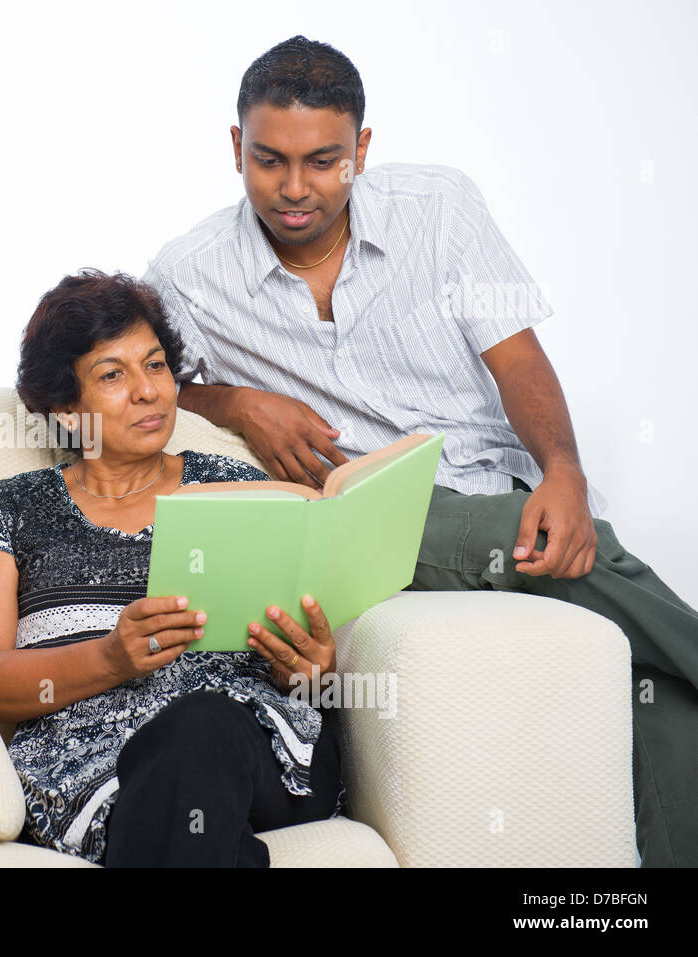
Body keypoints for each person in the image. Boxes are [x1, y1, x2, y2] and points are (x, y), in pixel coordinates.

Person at [140, 34, 698, 866]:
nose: (294, 189)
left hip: (490, 484)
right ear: (235, 147)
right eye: (268, 160)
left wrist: (565, 472)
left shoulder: (439, 208)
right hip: (365, 520)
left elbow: (517, 359)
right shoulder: (188, 273)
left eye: (324, 160)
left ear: (362, 150)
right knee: (541, 545)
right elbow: (140, 386)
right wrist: (237, 401)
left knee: (649, 696)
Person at [0, 269, 345, 867]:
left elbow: (297, 659)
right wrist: (108, 659)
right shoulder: (10, 508)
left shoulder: (239, 488)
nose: (148, 391)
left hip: (260, 746)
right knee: (188, 820)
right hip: (89, 767)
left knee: (200, 729)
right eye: (113, 375)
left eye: (156, 365)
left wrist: (311, 670)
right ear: (64, 407)